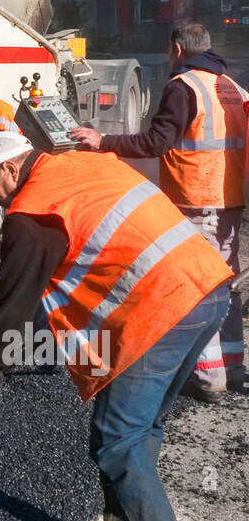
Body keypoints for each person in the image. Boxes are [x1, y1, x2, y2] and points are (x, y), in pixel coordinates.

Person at [0, 130, 231, 521]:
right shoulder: (81, 167)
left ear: (12, 170)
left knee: (119, 440)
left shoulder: (33, 208)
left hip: (162, 309)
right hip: (203, 289)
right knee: (137, 428)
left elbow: (12, 297)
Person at [71, 22, 247, 403]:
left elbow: (156, 141)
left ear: (177, 49)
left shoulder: (183, 87)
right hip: (229, 199)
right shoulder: (230, 87)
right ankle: (233, 366)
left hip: (197, 198)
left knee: (197, 289)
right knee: (224, 284)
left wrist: (104, 141)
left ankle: (208, 377)